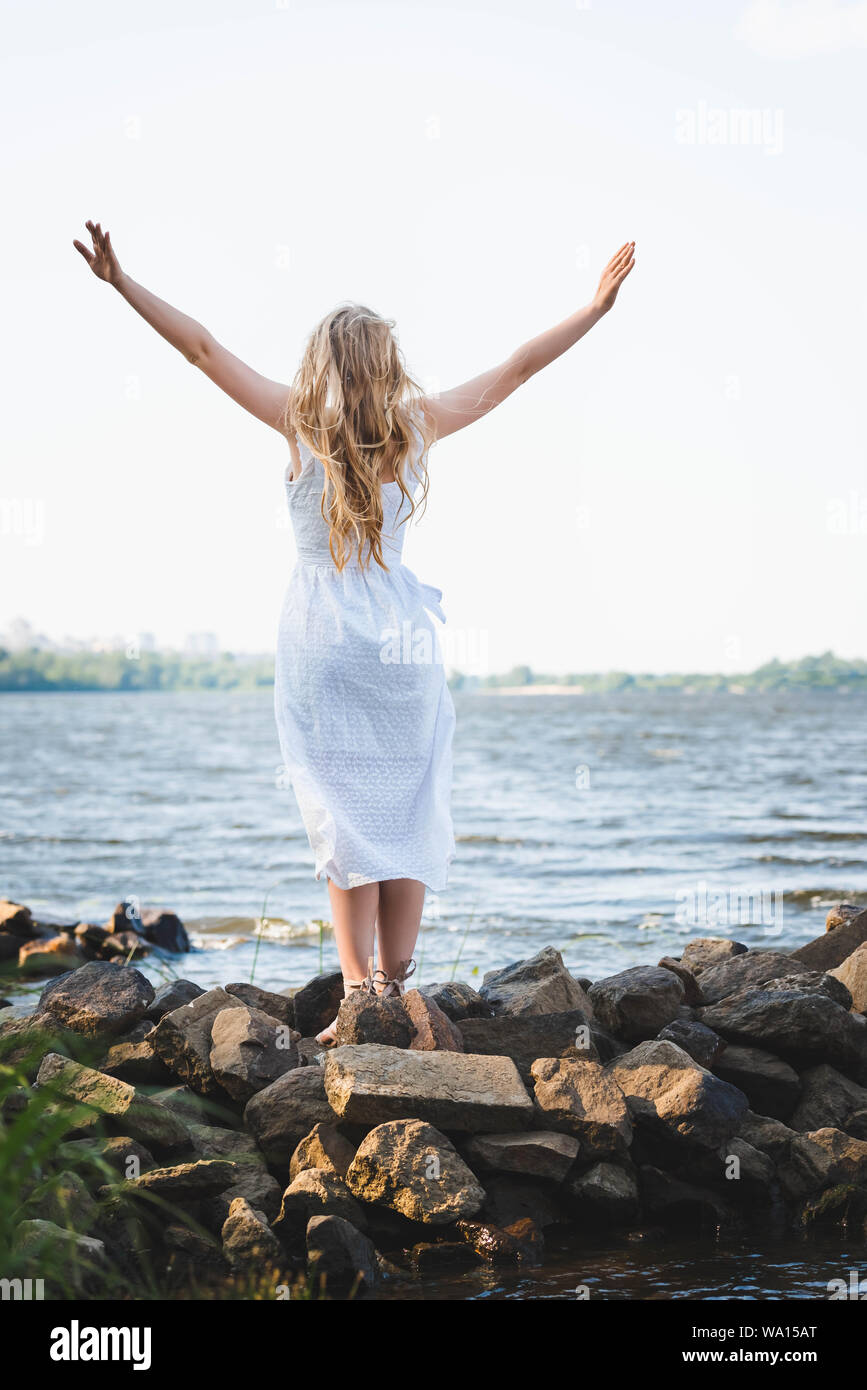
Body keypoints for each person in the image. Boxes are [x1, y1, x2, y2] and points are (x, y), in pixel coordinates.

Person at [73, 221, 636, 1042]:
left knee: (341, 817)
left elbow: (200, 347)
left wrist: (123, 282)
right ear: (386, 365)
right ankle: (400, 980)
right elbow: (515, 370)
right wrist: (593, 308)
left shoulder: (297, 422)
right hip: (400, 645)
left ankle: (358, 990)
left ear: (322, 364)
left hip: (324, 644)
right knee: (401, 809)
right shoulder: (418, 425)